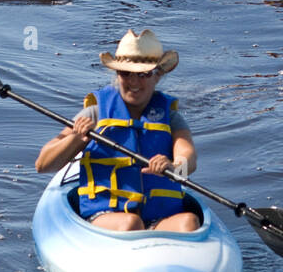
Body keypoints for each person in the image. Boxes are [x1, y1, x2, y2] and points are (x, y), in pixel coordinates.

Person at [35, 30, 199, 234]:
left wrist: (174, 166)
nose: (133, 82)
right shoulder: (95, 113)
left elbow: (189, 161)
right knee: (130, 224)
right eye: (125, 73)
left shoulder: (171, 117)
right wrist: (77, 138)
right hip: (106, 214)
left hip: (158, 218)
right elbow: (43, 165)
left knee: (189, 222)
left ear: (157, 76)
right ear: (117, 74)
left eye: (143, 74)